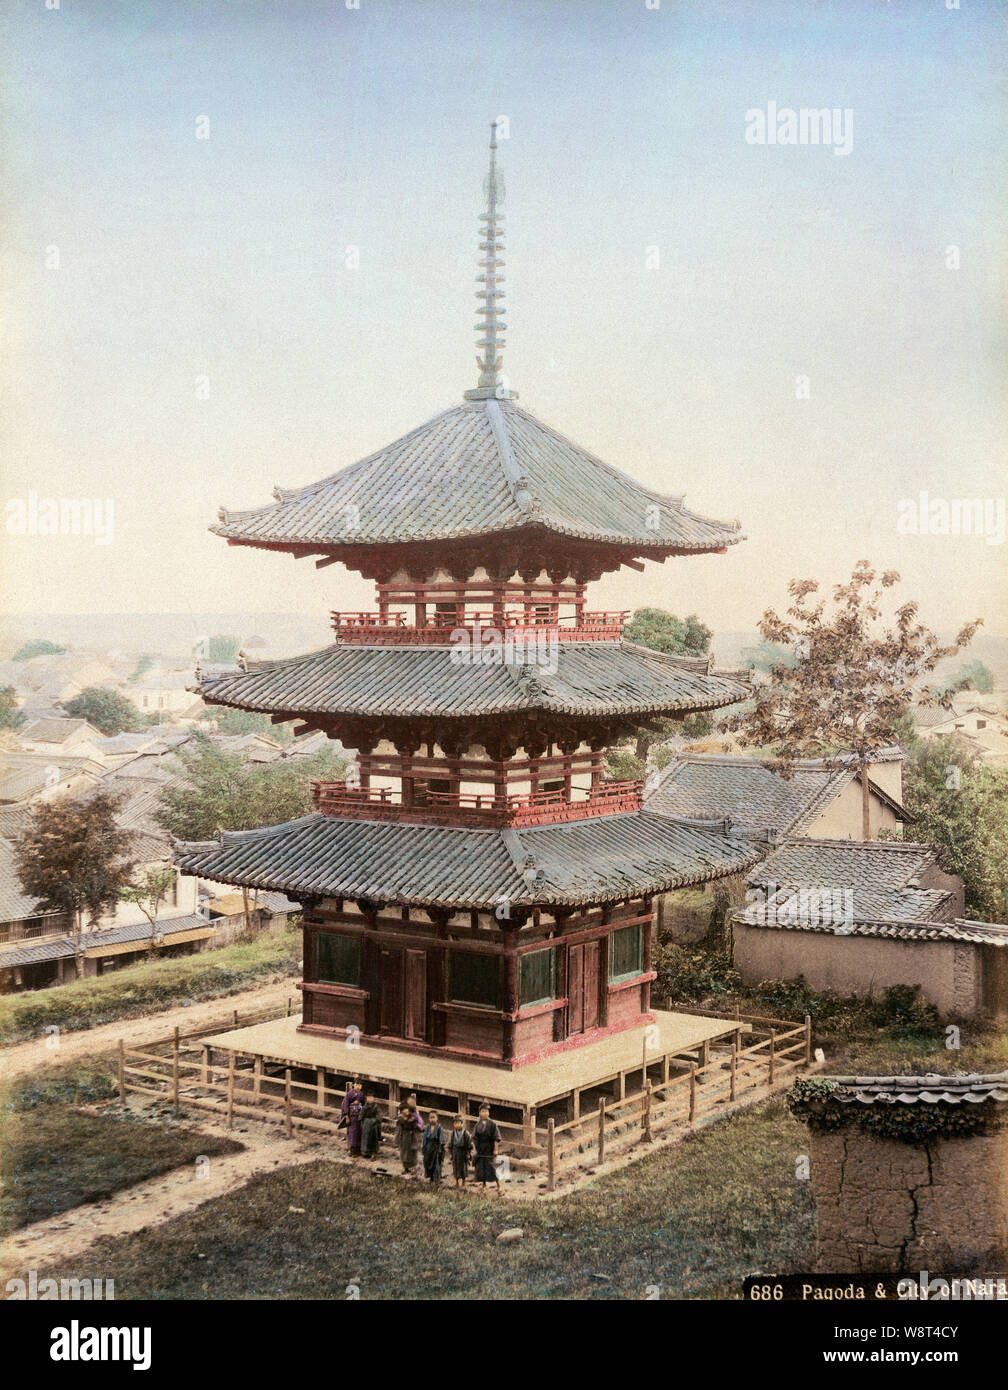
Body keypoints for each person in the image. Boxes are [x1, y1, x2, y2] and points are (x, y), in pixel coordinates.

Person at [472, 1104, 502, 1191]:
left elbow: (496, 1138)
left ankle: (499, 1185)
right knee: (481, 1167)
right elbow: (474, 1137)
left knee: (492, 1167)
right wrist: (474, 1149)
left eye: (486, 1111)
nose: (485, 1113)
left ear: (488, 1113)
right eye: (483, 1111)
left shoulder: (492, 1124)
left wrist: (496, 1149)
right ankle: (484, 1184)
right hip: (480, 1149)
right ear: (479, 1113)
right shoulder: (478, 1125)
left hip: (489, 1148)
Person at [421, 1112, 447, 1184]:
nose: (432, 1119)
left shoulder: (439, 1128)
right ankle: (431, 1177)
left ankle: (437, 1179)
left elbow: (442, 1138)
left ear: (437, 1118)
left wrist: (442, 1146)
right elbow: (424, 1138)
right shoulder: (427, 1128)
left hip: (436, 1147)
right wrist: (424, 1147)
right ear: (429, 1119)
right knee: (428, 1162)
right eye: (431, 1118)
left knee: (436, 1163)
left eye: (434, 1117)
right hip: (429, 1147)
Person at [395, 1102, 420, 1174]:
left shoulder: (413, 1119)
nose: (406, 1111)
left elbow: (417, 1128)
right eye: (404, 1109)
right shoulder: (401, 1120)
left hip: (412, 1137)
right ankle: (405, 1168)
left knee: (411, 1153)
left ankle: (412, 1168)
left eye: (407, 1109)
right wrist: (398, 1139)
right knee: (404, 1153)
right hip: (404, 1137)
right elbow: (399, 1130)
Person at [448, 1116, 473, 1188]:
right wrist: (450, 1154)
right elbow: (450, 1145)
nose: (457, 1125)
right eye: (455, 1123)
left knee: (463, 1167)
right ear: (453, 1124)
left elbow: (470, 1145)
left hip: (463, 1152)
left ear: (462, 1124)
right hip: (455, 1152)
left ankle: (464, 1181)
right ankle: (456, 1181)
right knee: (455, 1167)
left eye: (459, 1123)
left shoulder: (466, 1133)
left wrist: (468, 1153)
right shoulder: (452, 1133)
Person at [360, 1092, 382, 1159]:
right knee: (365, 1138)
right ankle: (366, 1152)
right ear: (366, 1099)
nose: (370, 1099)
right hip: (366, 1125)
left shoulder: (376, 1107)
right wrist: (362, 1121)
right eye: (368, 1098)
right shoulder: (364, 1107)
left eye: (371, 1098)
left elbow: (379, 1115)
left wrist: (375, 1120)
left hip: (373, 1125)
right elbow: (361, 1115)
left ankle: (373, 1153)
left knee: (373, 1139)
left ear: (374, 1099)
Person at [344, 1087, 364, 1157]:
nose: (358, 1086)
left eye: (359, 1085)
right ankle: (351, 1150)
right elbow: (345, 1105)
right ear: (354, 1085)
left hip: (359, 1116)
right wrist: (346, 1116)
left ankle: (358, 1150)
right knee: (352, 1133)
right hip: (352, 1116)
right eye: (356, 1084)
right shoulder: (349, 1094)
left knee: (359, 1133)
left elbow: (363, 1104)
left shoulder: (361, 1094)